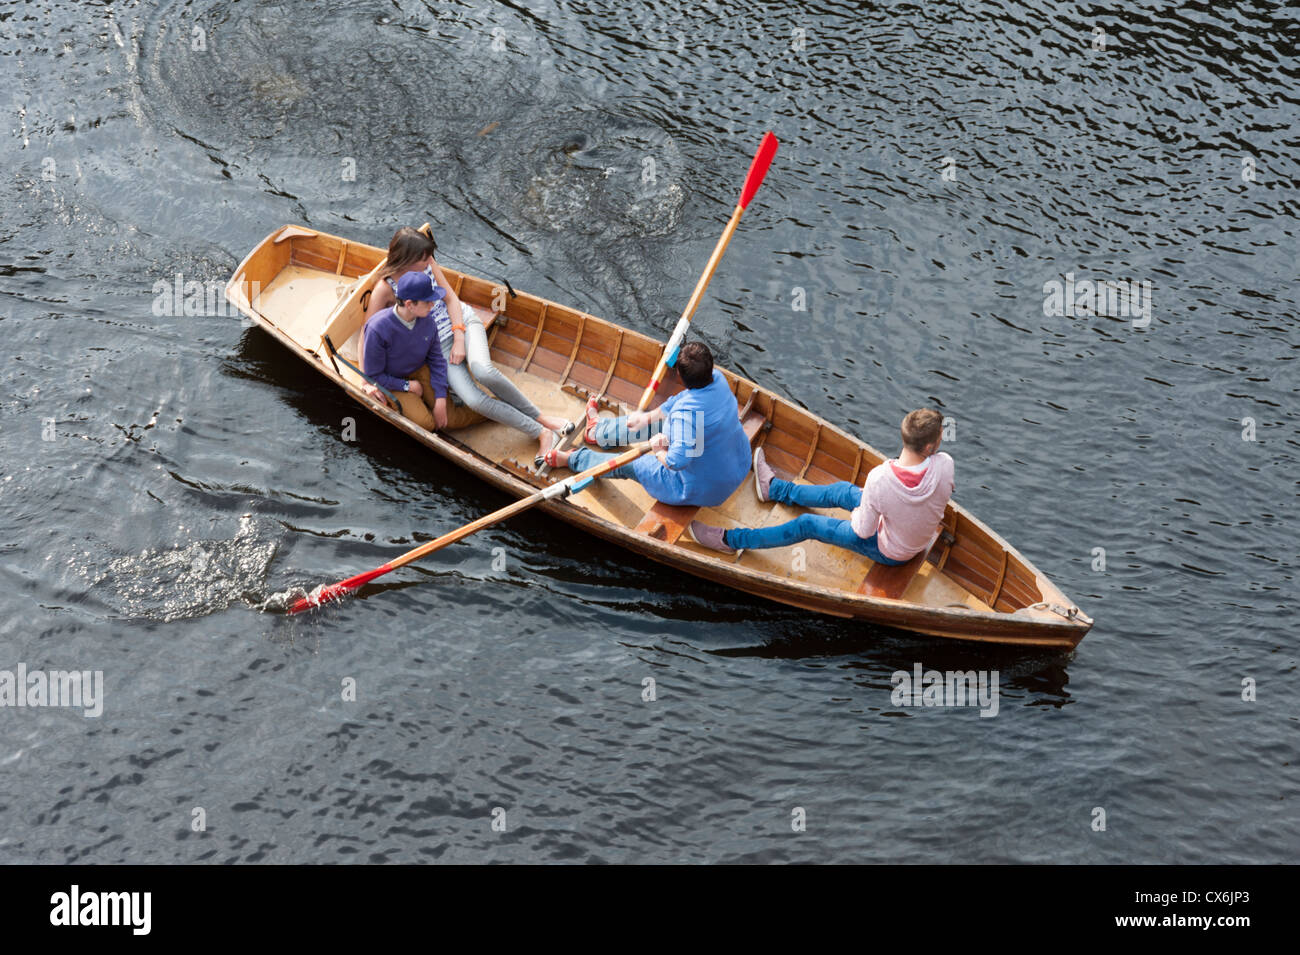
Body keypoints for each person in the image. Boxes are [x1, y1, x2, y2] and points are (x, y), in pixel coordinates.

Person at [365, 226, 574, 461]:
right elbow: (368, 332)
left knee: (482, 370)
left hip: (462, 323)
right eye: (423, 259)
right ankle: (542, 432)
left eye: (428, 258)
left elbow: (451, 299)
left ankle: (544, 420)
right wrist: (366, 382)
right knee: (473, 400)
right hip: (437, 347)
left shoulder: (428, 264)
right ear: (407, 259)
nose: (428, 262)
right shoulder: (385, 288)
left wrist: (459, 338)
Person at [689, 408, 955, 562]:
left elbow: (863, 531)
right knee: (841, 491)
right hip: (906, 532)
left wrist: (861, 510)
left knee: (807, 525)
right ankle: (776, 490)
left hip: (892, 550)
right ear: (930, 446)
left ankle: (733, 540)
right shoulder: (945, 464)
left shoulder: (880, 479)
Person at [543, 341, 751, 507]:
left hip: (699, 487)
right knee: (655, 423)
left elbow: (676, 462)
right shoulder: (718, 379)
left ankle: (575, 460)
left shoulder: (684, 417)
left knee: (630, 464)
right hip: (738, 465)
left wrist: (659, 450)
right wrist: (647, 418)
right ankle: (598, 432)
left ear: (680, 376)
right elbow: (683, 400)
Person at [361, 271, 450, 432]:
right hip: (391, 381)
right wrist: (407, 386)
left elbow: (437, 360)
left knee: (451, 418)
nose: (433, 305)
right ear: (409, 304)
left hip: (418, 369)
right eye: (427, 302)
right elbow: (373, 375)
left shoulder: (428, 321)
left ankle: (495, 408)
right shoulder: (377, 328)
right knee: (427, 424)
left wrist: (441, 398)